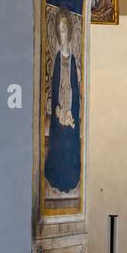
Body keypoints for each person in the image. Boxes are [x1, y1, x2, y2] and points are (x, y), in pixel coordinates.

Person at [43, 13, 82, 194]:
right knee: (59, 141)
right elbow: (55, 82)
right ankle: (58, 176)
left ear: (69, 32)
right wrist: (58, 109)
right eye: (60, 31)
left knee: (70, 141)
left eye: (65, 29)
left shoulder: (72, 60)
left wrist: (71, 111)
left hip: (71, 107)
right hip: (60, 106)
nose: (63, 33)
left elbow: (74, 86)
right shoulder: (58, 57)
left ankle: (70, 177)